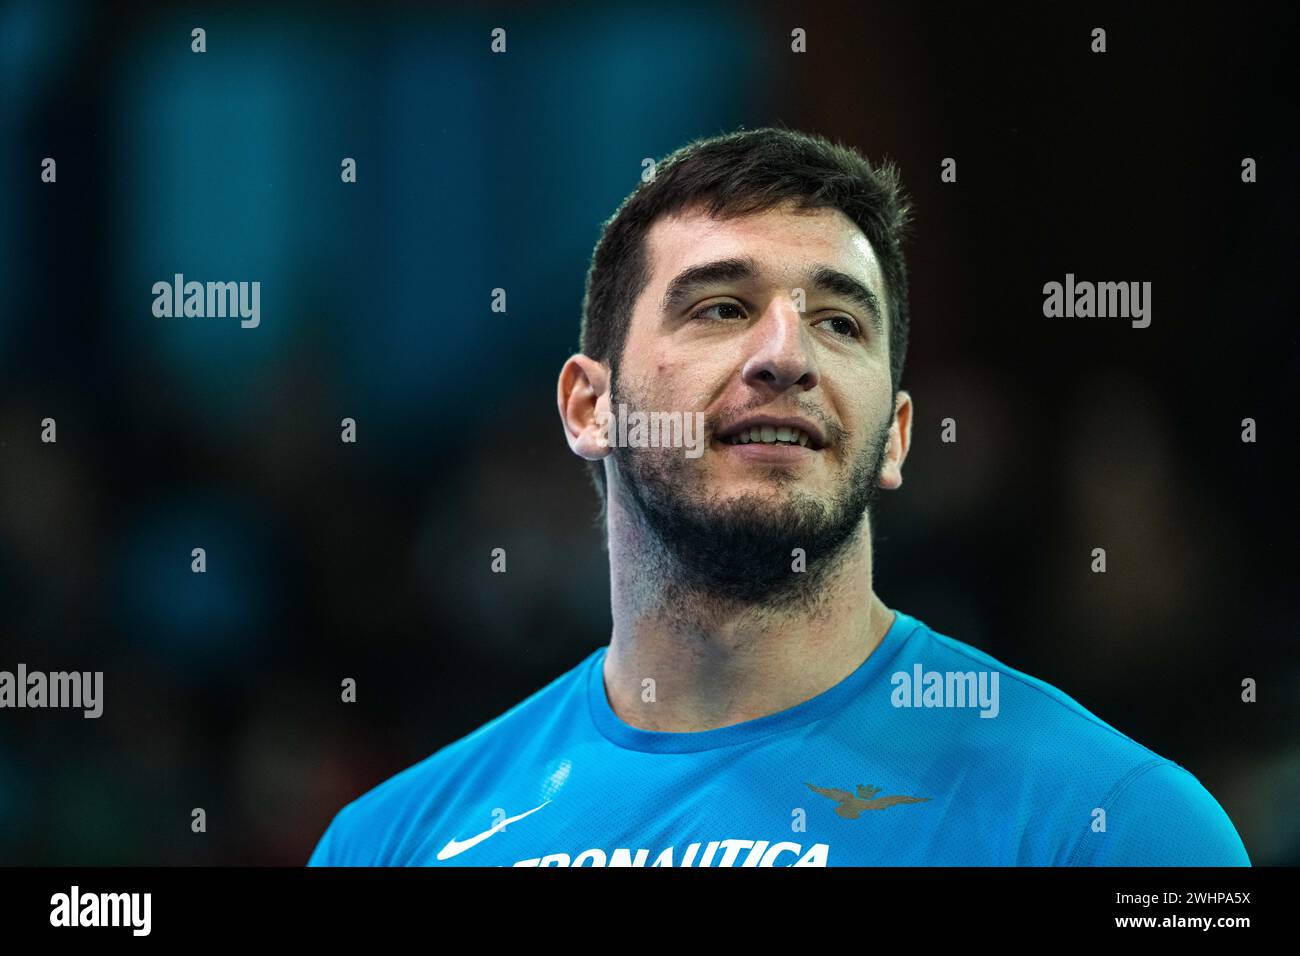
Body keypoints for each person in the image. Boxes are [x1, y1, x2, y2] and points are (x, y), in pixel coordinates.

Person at [308, 127, 1249, 866]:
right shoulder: (389, 844)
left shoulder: (1117, 828)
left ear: (897, 437)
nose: (787, 356)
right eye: (721, 306)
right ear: (591, 407)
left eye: (839, 321)